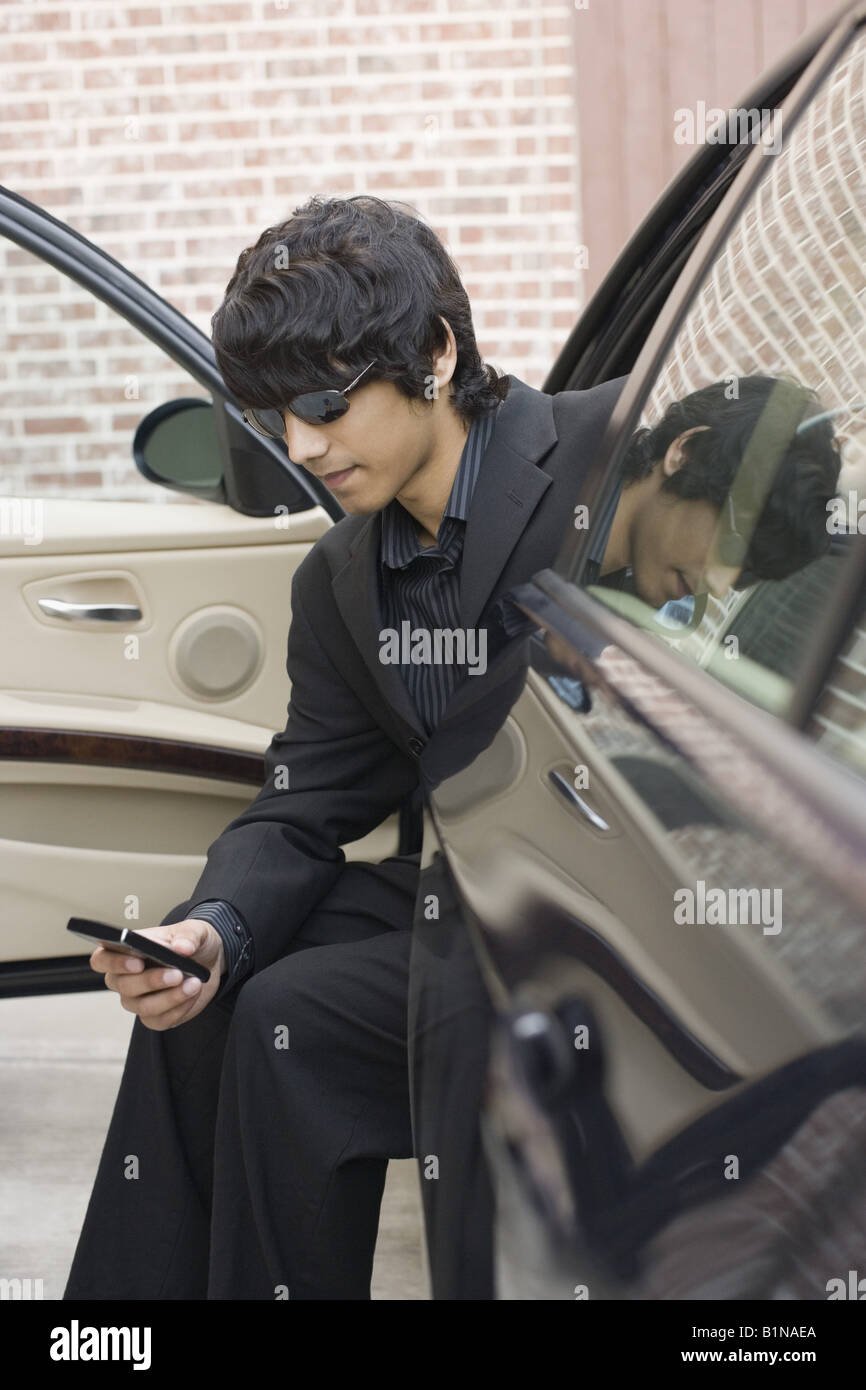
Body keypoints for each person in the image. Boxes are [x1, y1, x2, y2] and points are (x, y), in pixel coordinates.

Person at [63, 196, 839, 1301]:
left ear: (433, 353)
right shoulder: (337, 581)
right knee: (213, 990)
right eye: (275, 417)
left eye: (327, 404)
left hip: (642, 925)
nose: (302, 445)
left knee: (296, 1018)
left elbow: (792, 469)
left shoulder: (625, 443)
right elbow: (303, 800)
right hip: (478, 893)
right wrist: (215, 928)